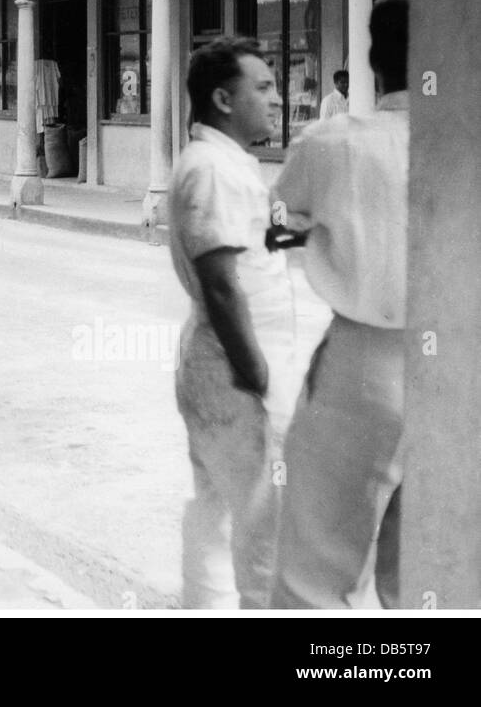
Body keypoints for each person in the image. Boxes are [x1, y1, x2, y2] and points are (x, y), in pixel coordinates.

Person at [270, 0, 409, 609]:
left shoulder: (335, 143)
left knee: (316, 575)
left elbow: (277, 222)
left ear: (375, 60)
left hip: (367, 369)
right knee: (429, 580)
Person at [167, 36, 300, 609]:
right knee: (262, 532)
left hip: (224, 369)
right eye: (263, 87)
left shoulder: (224, 161)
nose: (277, 99)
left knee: (218, 514)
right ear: (223, 98)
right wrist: (260, 377)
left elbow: (247, 249)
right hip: (234, 372)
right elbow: (221, 286)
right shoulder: (213, 169)